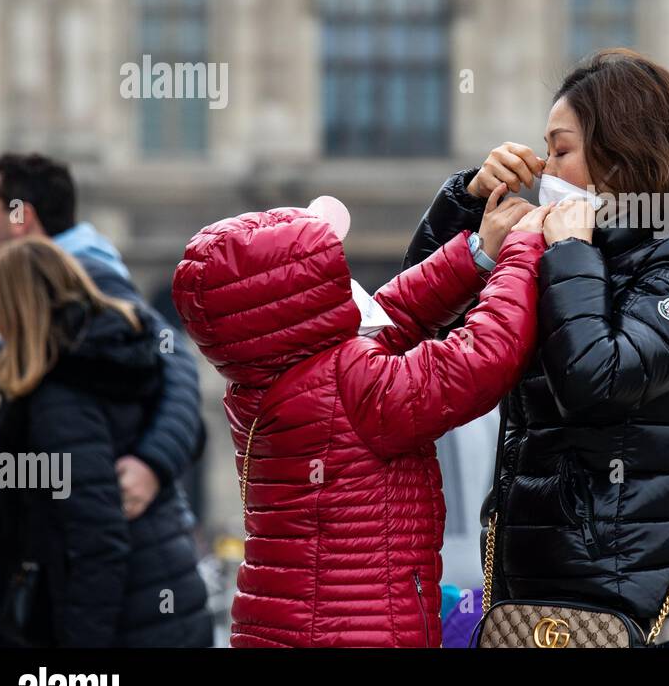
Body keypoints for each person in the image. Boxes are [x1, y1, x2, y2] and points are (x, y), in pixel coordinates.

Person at [403, 49, 669, 647]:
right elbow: (415, 330)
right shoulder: (558, 256)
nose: (544, 167)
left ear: (621, 156)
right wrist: (468, 207)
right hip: (534, 594)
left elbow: (600, 381)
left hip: (644, 600)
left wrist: (569, 254)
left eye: (561, 151)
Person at [172, 189, 549, 647]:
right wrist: (520, 253)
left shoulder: (264, 377)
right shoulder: (349, 385)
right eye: (329, 271)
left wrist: (476, 256)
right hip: (356, 632)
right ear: (301, 299)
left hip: (287, 627)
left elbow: (388, 319)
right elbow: (482, 359)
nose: (345, 279)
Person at [0, 238, 210, 646]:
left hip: (131, 622)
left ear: (17, 312)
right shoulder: (103, 358)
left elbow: (97, 542)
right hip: (163, 599)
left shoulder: (61, 400)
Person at [0, 153, 204, 521]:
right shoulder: (60, 282)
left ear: (21, 218)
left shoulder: (89, 279)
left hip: (118, 541)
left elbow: (175, 363)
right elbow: (59, 367)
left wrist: (151, 464)